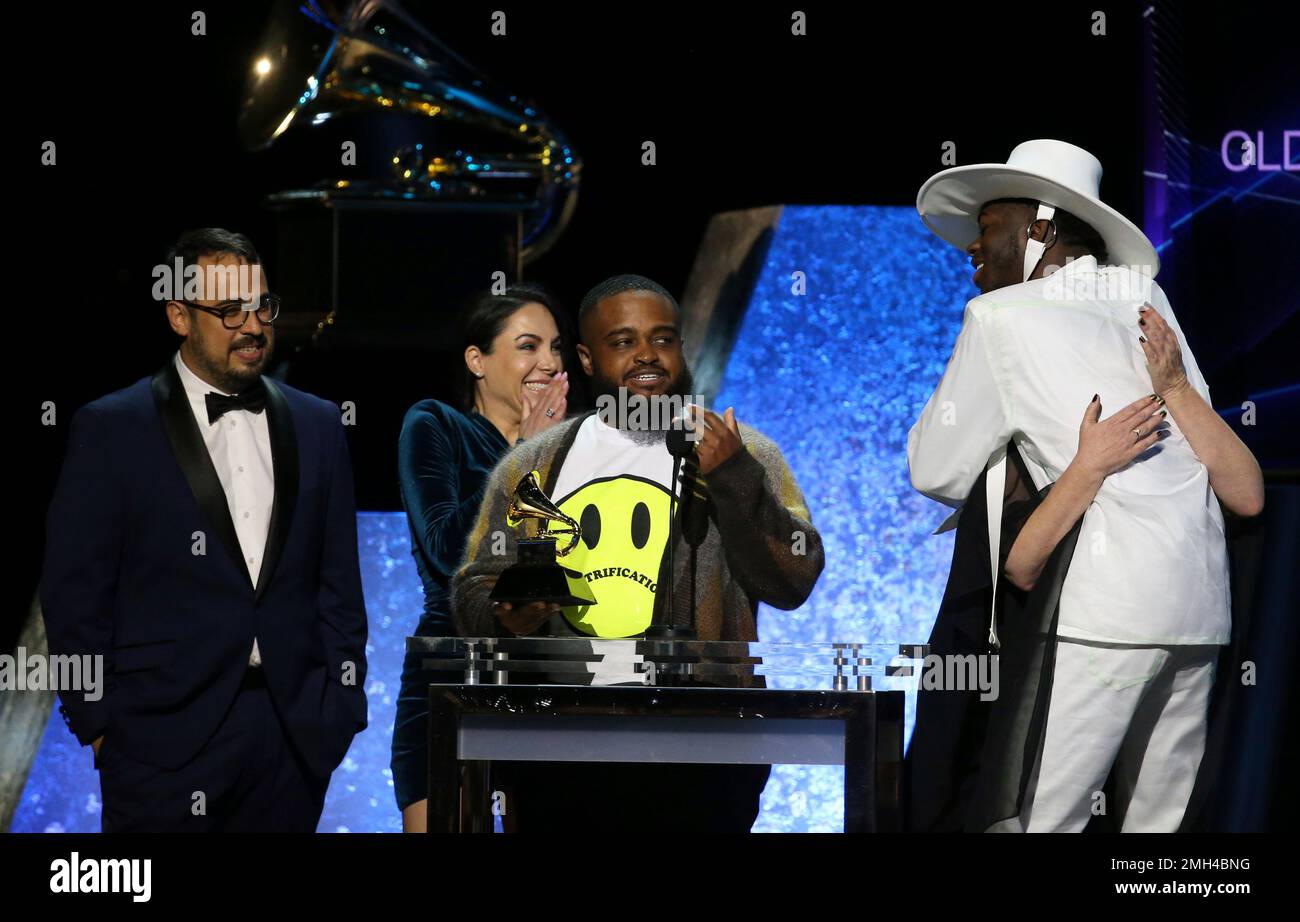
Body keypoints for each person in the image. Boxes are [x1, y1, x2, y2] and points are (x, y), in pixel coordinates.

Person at [906, 140, 1264, 832]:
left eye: (986, 231)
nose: (972, 253)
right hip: (1197, 610)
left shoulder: (1000, 319)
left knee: (1046, 819)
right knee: (1162, 833)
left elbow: (934, 470)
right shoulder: (1148, 297)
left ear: (1040, 227)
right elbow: (1220, 467)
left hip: (1102, 617)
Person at [452, 273, 825, 831]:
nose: (647, 355)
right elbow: (475, 584)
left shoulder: (741, 450)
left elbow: (794, 578)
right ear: (585, 357)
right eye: (623, 341)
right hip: (560, 746)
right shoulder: (534, 464)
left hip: (703, 751)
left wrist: (735, 479)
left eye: (663, 338)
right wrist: (508, 614)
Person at [40, 228, 369, 831]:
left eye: (262, 306)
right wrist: (99, 725)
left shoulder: (318, 424)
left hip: (292, 737)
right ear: (179, 316)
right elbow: (72, 595)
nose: (252, 325)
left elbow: (339, 586)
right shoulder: (113, 428)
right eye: (228, 311)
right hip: (157, 743)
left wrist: (339, 709)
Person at [392, 284, 572, 832]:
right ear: (477, 360)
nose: (547, 361)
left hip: (550, 680)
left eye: (556, 347)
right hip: (453, 673)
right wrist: (524, 456)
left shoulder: (575, 444)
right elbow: (449, 550)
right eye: (527, 346)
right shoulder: (436, 425)